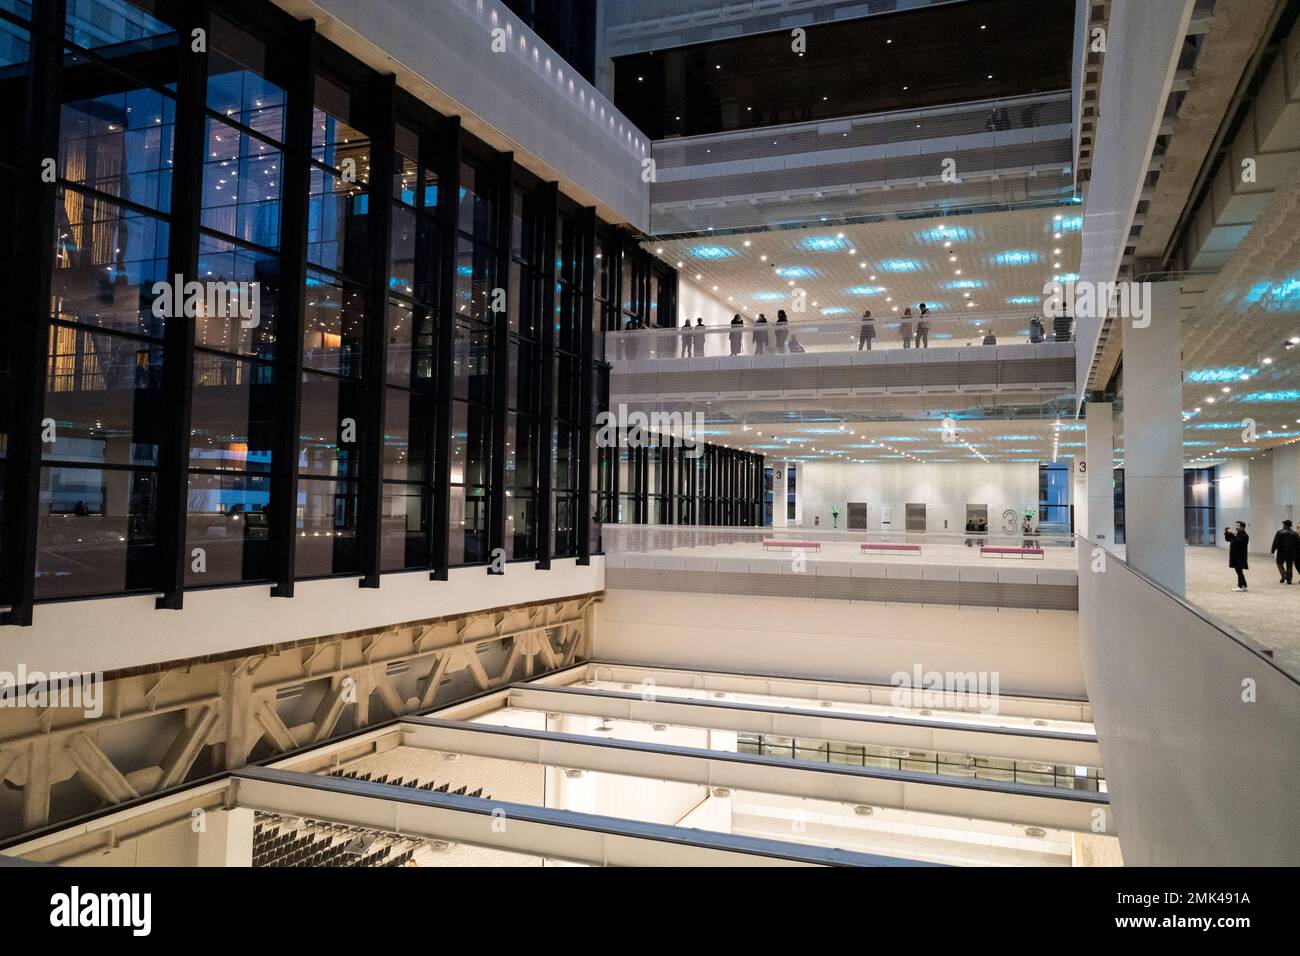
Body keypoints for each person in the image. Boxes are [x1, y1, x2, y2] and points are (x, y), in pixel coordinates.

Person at [1270, 518, 1298, 584]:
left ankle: (1284, 574)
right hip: (1291, 552)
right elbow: (1297, 544)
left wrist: (1273, 550)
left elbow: (1275, 542)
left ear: (1285, 525)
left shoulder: (1280, 532)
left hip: (1281, 551)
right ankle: (1289, 580)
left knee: (1279, 563)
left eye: (1283, 524)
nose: (1282, 525)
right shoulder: (1294, 533)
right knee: (1289, 565)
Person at [1225, 521, 1250, 591]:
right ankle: (1243, 585)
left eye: (1238, 526)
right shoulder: (1236, 533)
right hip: (1235, 556)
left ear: (1242, 527)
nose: (1236, 527)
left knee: (1239, 571)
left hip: (1240, 556)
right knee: (1239, 571)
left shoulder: (1245, 535)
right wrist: (1227, 533)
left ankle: (1241, 586)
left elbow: (1239, 542)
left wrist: (1232, 535)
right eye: (1236, 525)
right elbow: (1228, 539)